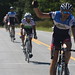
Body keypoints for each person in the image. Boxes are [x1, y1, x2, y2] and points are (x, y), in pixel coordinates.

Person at [32, 1, 75, 75]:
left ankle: (65, 65)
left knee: (67, 48)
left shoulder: (72, 19)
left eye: (68, 12)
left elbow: (74, 33)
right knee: (54, 59)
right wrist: (35, 7)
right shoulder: (55, 14)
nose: (66, 14)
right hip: (56, 37)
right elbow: (40, 15)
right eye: (64, 11)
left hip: (65, 37)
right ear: (61, 11)